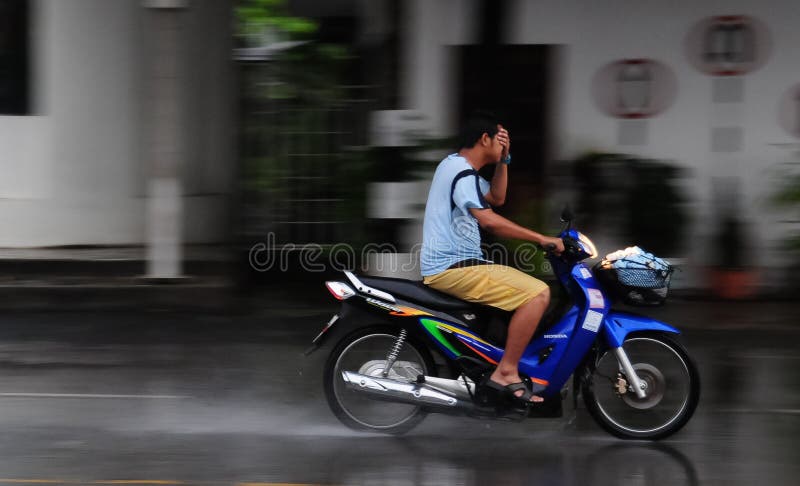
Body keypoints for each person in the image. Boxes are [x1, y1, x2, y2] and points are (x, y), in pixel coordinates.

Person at [420, 112, 565, 404]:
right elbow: (489, 220)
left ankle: (495, 366)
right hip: (454, 266)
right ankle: (506, 372)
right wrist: (541, 238)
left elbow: (496, 198)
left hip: (462, 264)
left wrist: (504, 160)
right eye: (500, 139)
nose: (504, 145)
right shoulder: (461, 171)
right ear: (484, 138)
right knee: (537, 294)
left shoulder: (459, 170)